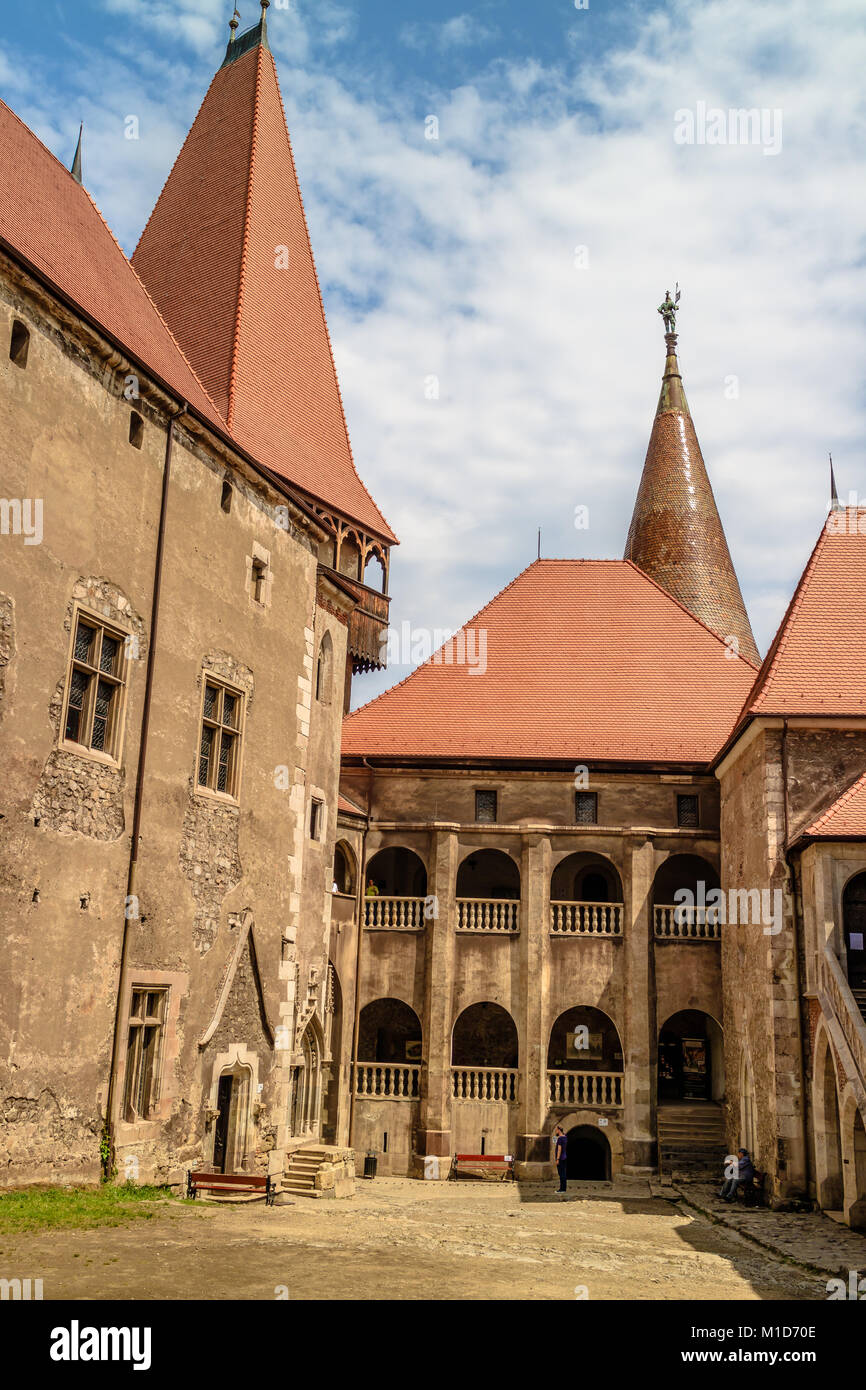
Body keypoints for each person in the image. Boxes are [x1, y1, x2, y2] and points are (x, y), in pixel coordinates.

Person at [554, 1125, 568, 1195]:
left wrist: (557, 1159)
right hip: (564, 1157)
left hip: (561, 1158)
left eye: (556, 1130)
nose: (556, 1131)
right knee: (564, 1173)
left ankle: (561, 1189)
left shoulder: (560, 1139)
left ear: (559, 1130)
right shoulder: (565, 1137)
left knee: (561, 1174)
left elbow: (559, 1149)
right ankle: (564, 1188)